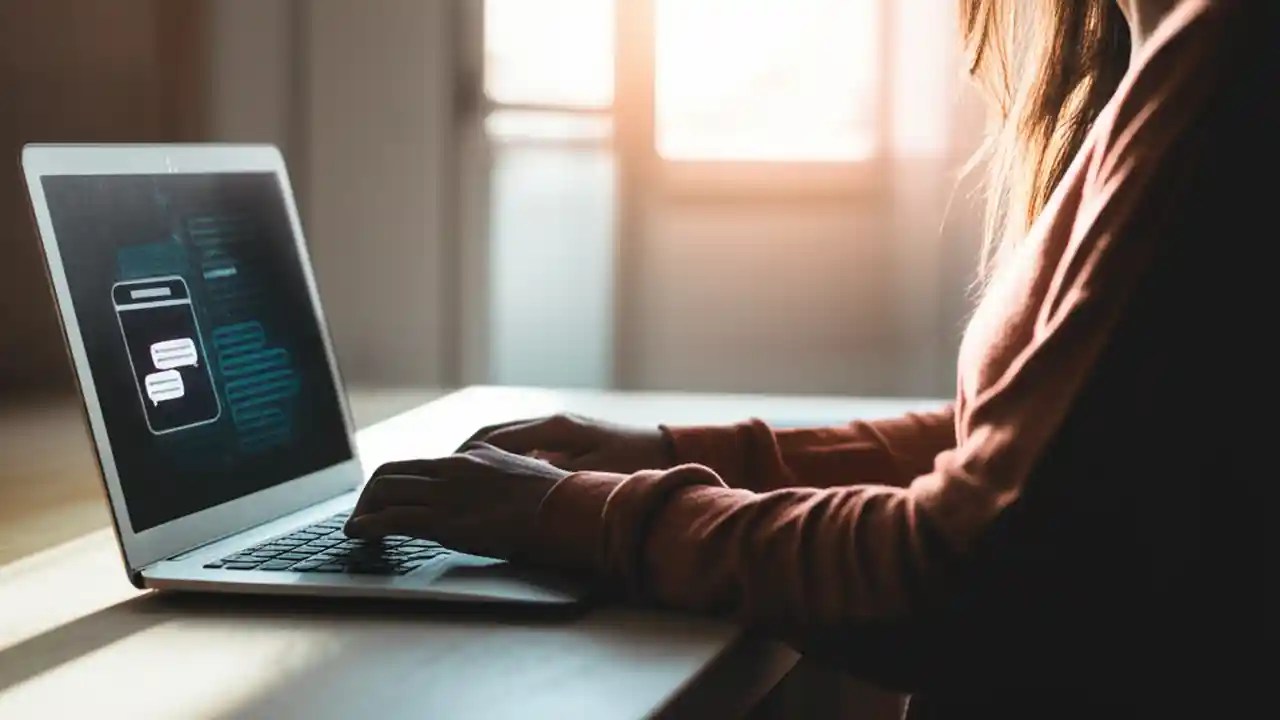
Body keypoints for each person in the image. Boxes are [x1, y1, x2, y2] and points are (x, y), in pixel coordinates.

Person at [347, 0, 1271, 715]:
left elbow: (957, 573)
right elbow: (1040, 448)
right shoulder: (1171, 57)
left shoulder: (1221, 69)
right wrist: (673, 452)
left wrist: (576, 514)